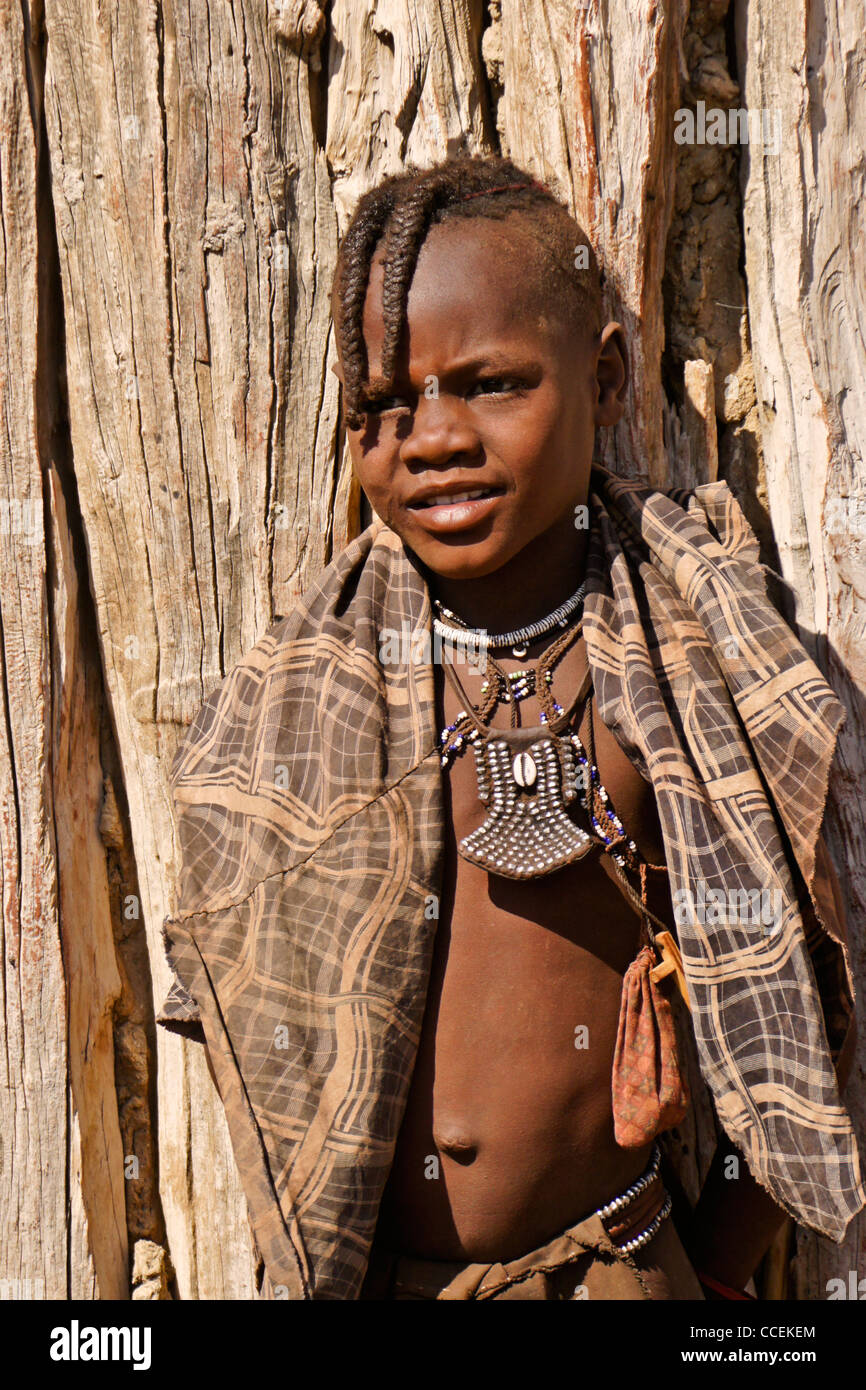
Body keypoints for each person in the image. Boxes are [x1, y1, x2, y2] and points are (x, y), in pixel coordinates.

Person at [157, 154, 863, 1301]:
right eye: (384, 407)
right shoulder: (315, 686)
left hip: (616, 1263)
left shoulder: (672, 673)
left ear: (608, 376)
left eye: (490, 384)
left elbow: (802, 994)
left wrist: (706, 1264)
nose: (432, 437)